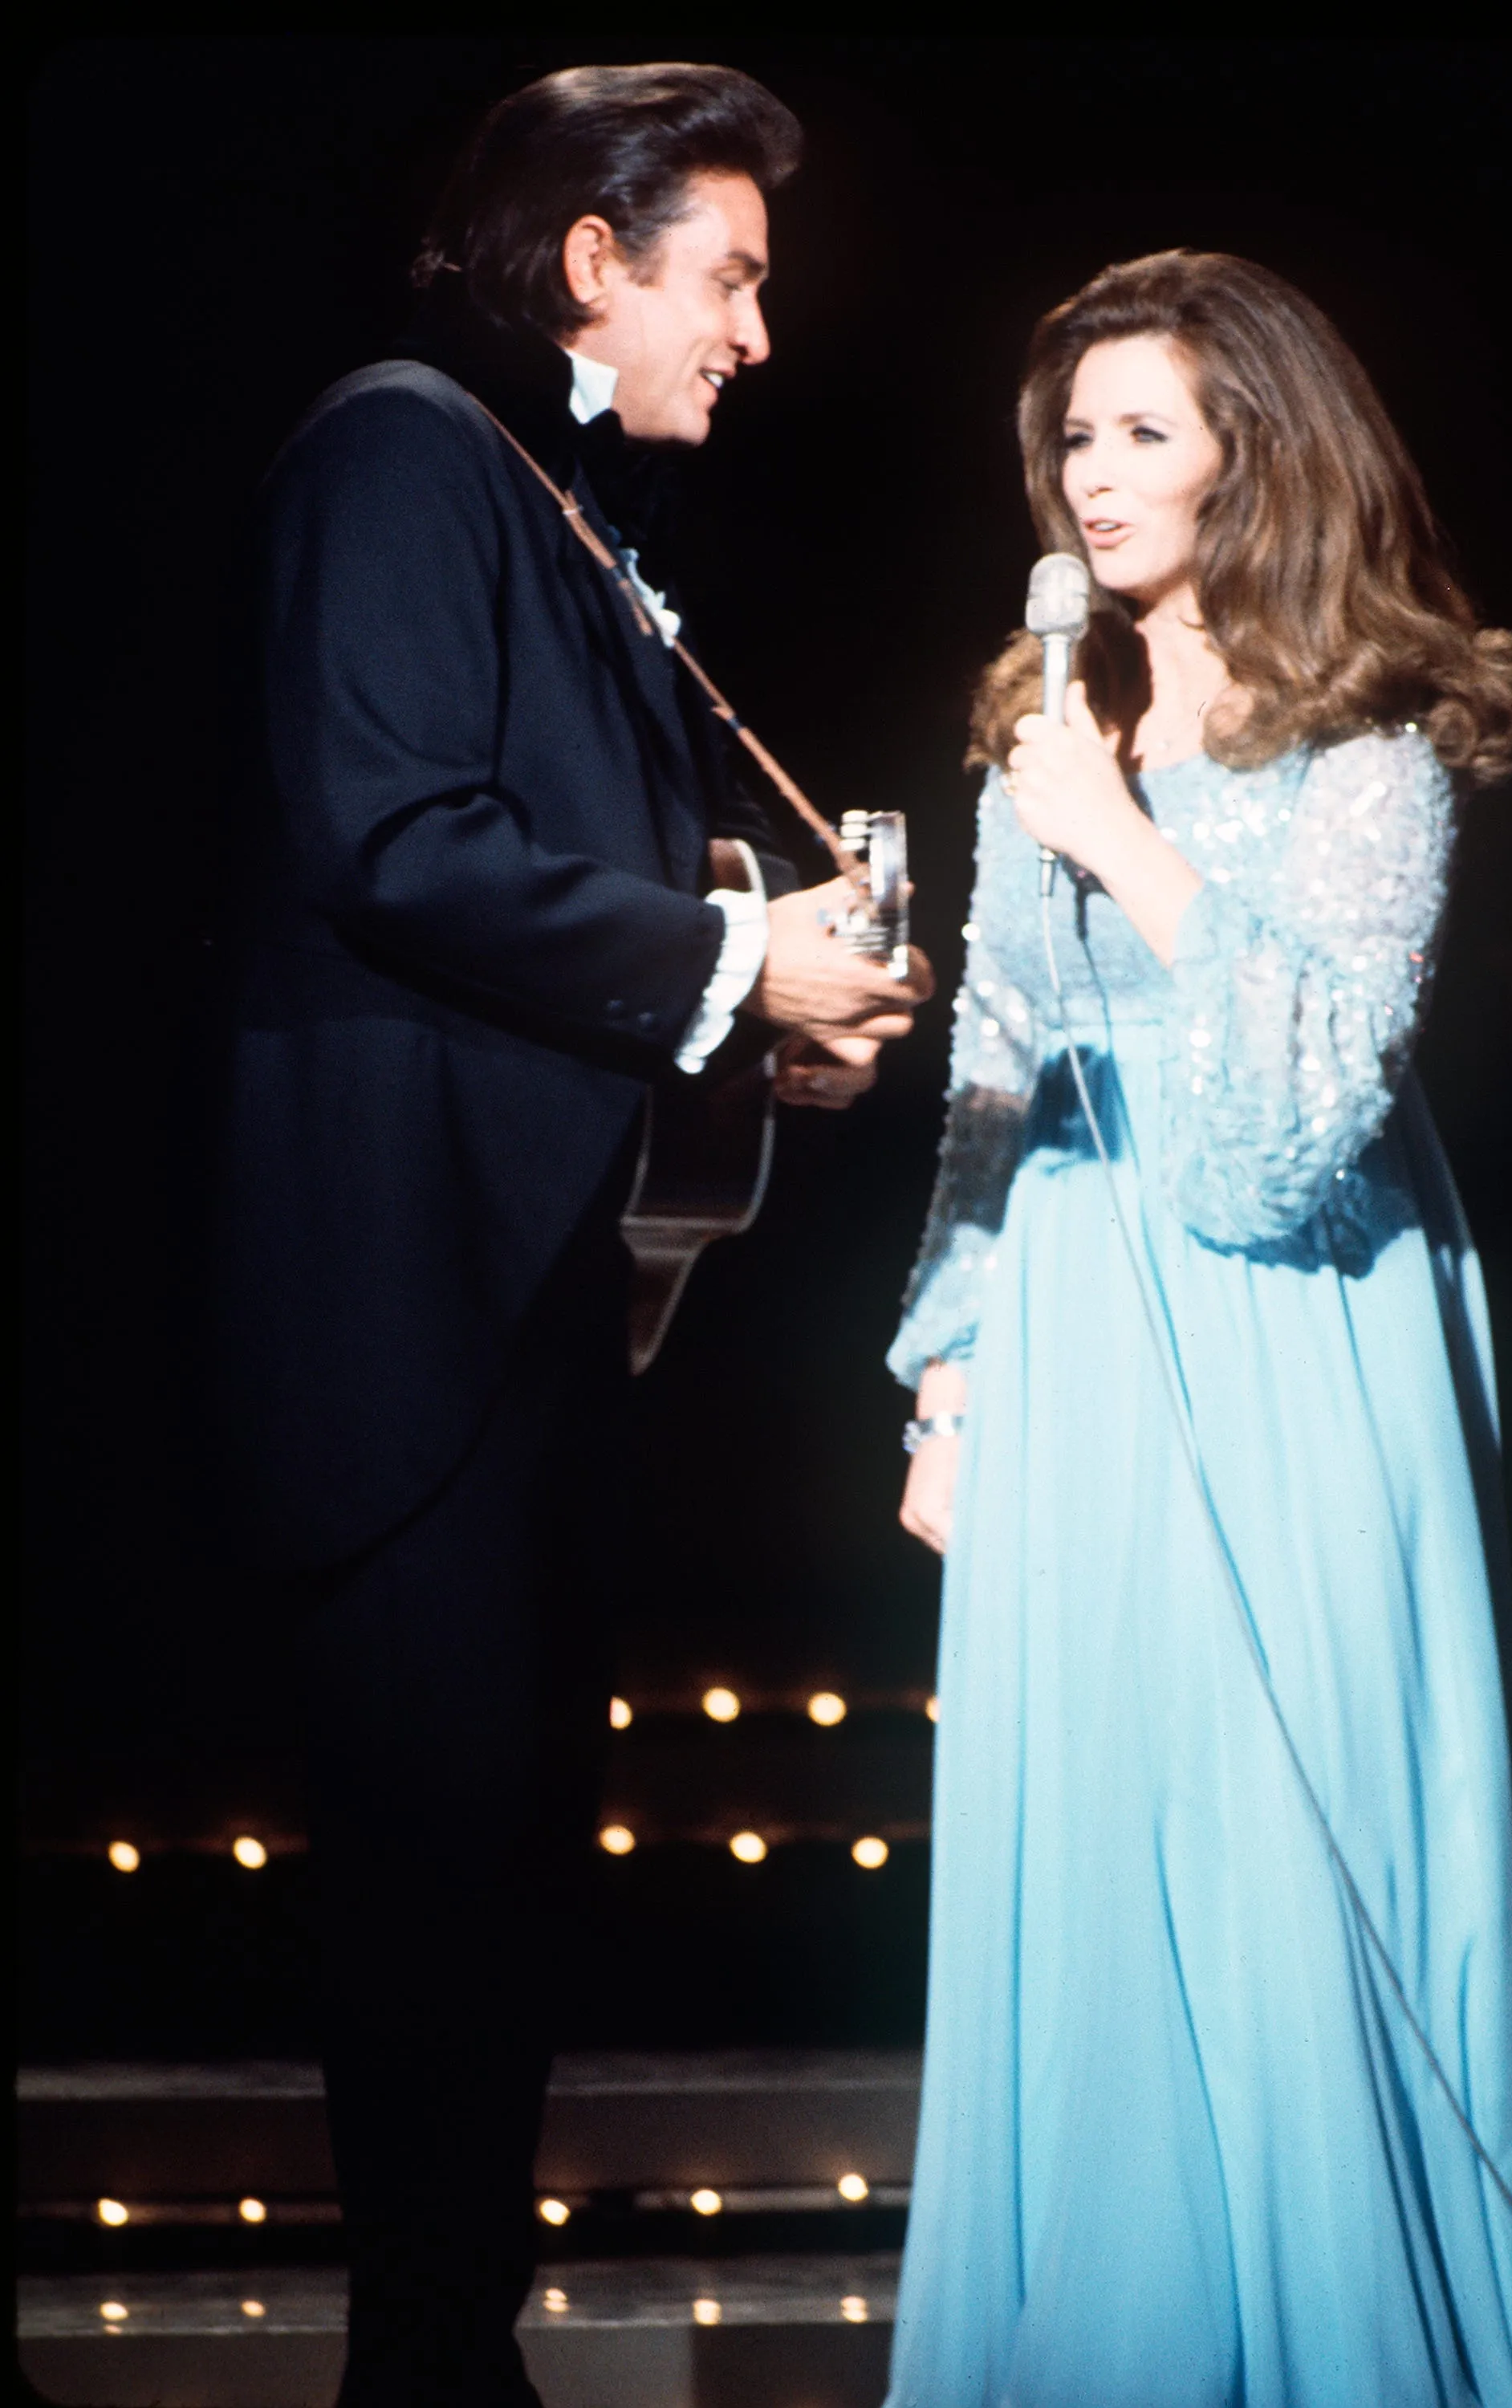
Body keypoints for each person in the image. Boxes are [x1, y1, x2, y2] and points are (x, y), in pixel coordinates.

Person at [209, 63, 930, 2408]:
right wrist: (737, 968)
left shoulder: (550, 496)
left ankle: (457, 2355)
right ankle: (430, 2368)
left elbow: (563, 900)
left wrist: (758, 1007)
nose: (750, 335)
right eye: (719, 280)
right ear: (588, 262)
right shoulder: (406, 447)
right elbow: (394, 840)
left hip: (529, 1305)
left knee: (500, 1867)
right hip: (400, 1302)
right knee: (434, 1874)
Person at [886, 250, 1512, 2405]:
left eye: (1140, 432)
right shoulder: (1038, 714)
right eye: (1070, 436)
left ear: (1251, 456)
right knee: (1088, 1841)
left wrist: (1131, 842)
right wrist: (953, 1360)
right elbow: (992, 1067)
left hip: (1290, 1330)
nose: (1090, 476)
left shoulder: (1367, 743)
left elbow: (1289, 1122)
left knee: (1279, 1832)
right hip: (1074, 1332)